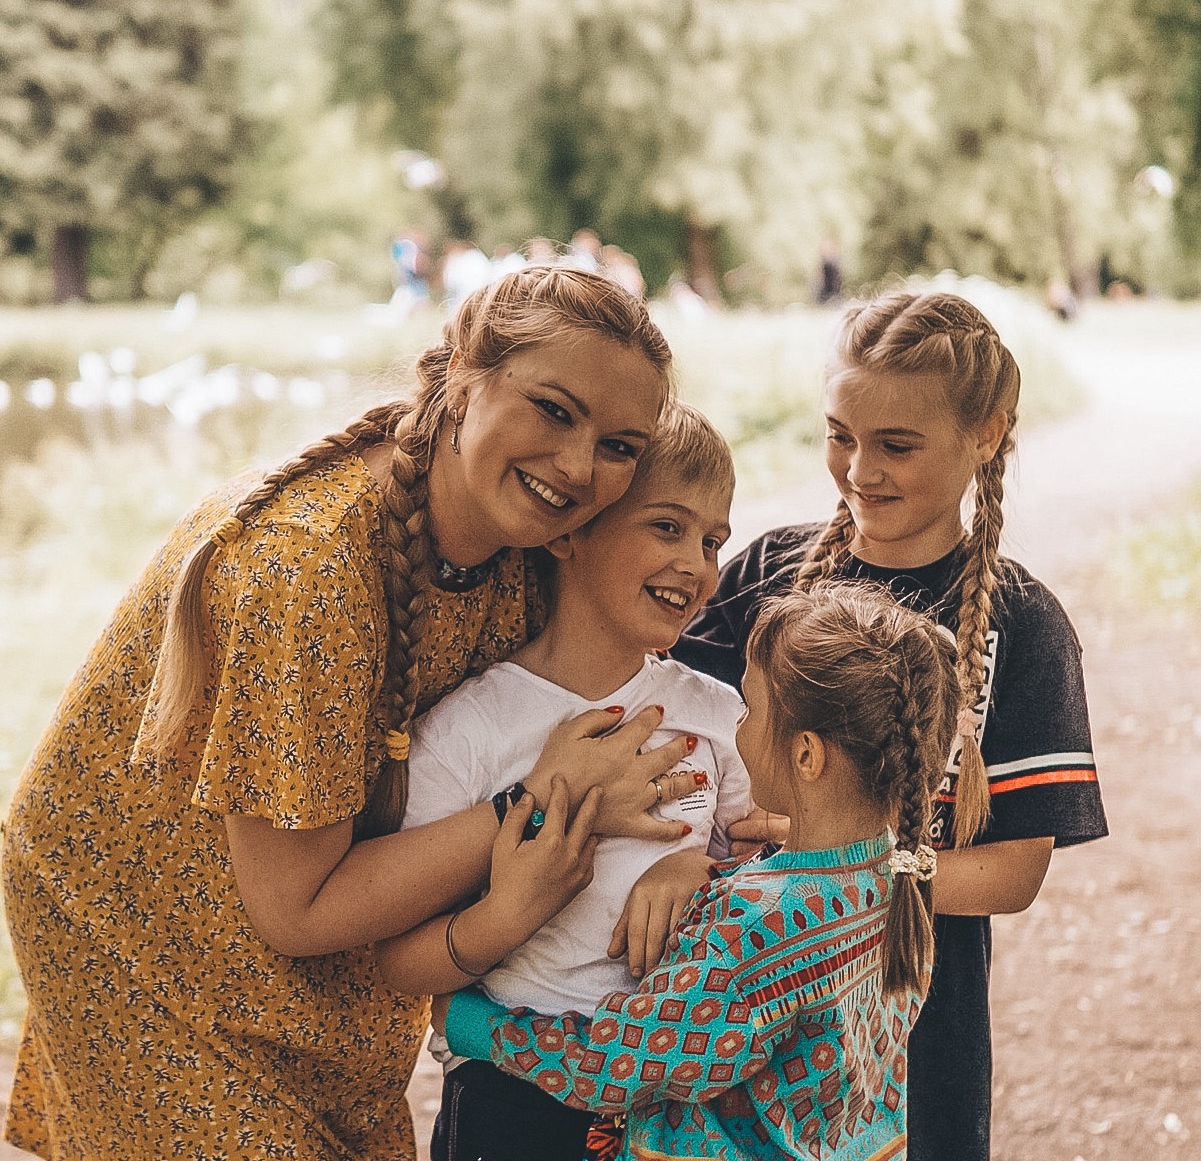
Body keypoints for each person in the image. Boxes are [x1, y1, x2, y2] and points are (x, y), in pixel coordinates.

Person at [1, 267, 706, 1161]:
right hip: (141, 928)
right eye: (554, 410)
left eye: (618, 445)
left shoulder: (526, 545)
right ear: (460, 376)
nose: (577, 465)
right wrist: (537, 800)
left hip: (323, 929)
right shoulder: (313, 569)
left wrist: (706, 843)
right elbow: (297, 910)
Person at [674, 291, 1109, 1161]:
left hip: (917, 1044)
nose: (858, 468)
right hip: (734, 1040)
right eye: (840, 433)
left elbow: (1013, 872)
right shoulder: (763, 573)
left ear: (985, 434)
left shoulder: (1023, 624)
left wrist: (835, 865)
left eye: (895, 445)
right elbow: (678, 754)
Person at [440, 583, 959, 1160]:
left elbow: (618, 1064)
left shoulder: (751, 933)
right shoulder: (894, 871)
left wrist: (475, 1026)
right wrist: (707, 872)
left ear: (807, 755)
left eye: (752, 710)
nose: (736, 726)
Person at [380, 401, 752, 1161]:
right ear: (570, 531)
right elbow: (398, 962)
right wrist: (509, 913)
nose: (697, 563)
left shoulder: (715, 713)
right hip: (514, 1099)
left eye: (712, 539)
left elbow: (777, 861)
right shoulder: (469, 729)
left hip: (678, 1095)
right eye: (668, 526)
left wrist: (701, 869)